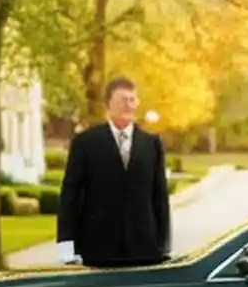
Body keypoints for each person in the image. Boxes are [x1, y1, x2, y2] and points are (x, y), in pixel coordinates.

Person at [57, 76, 171, 267]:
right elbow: (70, 195)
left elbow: (159, 197)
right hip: (98, 248)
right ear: (108, 104)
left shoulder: (151, 144)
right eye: (122, 100)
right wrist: (66, 247)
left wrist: (164, 245)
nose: (128, 105)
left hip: (145, 249)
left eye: (132, 99)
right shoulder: (85, 143)